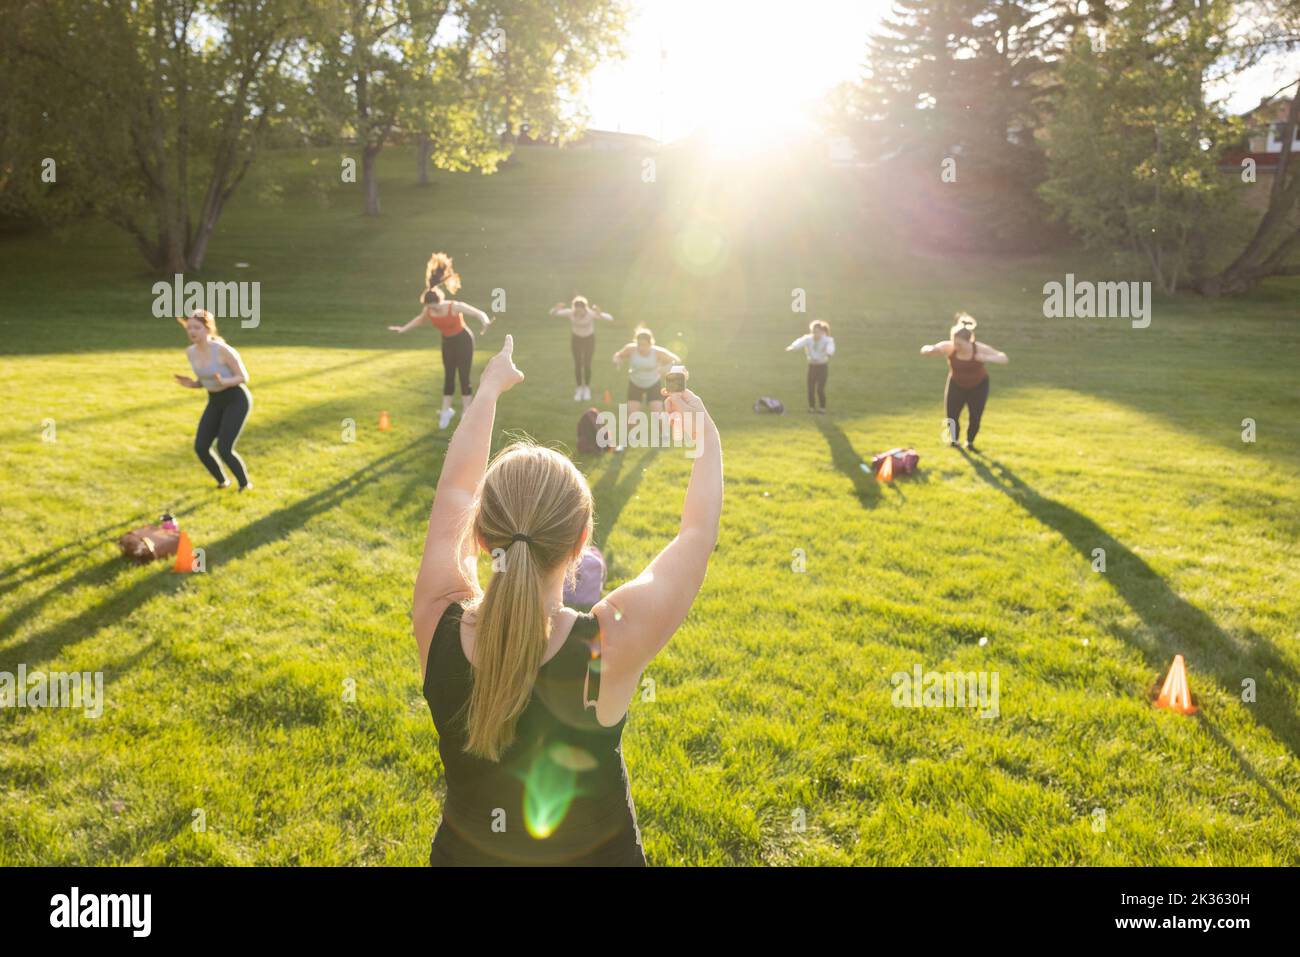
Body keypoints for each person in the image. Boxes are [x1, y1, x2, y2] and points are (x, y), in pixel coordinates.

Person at [412, 334, 723, 866]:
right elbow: (696, 536)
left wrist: (488, 389)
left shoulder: (438, 618)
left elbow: (455, 493)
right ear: (583, 542)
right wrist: (706, 441)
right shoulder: (610, 642)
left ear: (481, 536)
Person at [389, 252, 492, 429]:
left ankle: (466, 413)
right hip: (448, 343)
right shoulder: (428, 311)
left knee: (464, 375)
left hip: (464, 341)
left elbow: (477, 313)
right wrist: (402, 329)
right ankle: (446, 411)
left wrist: (485, 321)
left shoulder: (453, 306)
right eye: (430, 309)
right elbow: (418, 321)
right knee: (449, 376)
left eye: (435, 307)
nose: (433, 311)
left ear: (440, 302)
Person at [173, 309, 253, 490]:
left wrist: (225, 381)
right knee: (201, 447)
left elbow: (243, 377)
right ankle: (222, 482)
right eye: (189, 327)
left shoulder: (223, 351)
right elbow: (205, 379)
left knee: (224, 448)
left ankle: (244, 484)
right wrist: (193, 384)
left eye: (197, 328)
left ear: (208, 329)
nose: (192, 331)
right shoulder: (191, 352)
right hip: (215, 400)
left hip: (236, 399)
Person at [919, 312, 1008, 452]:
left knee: (975, 415)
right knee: (952, 415)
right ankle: (954, 442)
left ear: (969, 341)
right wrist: (930, 350)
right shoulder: (950, 347)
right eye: (954, 342)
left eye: (959, 343)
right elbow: (927, 348)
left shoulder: (978, 348)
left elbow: (1003, 358)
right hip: (956, 384)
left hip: (979, 385)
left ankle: (970, 443)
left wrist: (986, 358)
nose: (956, 346)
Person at [550, 296, 613, 401]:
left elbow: (610, 318)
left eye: (581, 309)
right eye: (577, 309)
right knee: (578, 364)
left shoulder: (590, 313)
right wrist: (556, 308)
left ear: (585, 308)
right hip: (576, 340)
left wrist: (599, 313)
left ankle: (587, 388)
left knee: (587, 364)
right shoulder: (570, 312)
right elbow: (552, 313)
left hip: (589, 340)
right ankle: (579, 388)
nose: (579, 311)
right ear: (574, 308)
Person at [612, 327, 681, 417]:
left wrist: (665, 368)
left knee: (658, 416)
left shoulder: (657, 352)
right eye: (639, 344)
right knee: (632, 417)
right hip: (635, 383)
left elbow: (676, 360)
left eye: (644, 345)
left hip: (653, 384)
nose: (641, 347)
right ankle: (633, 431)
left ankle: (662, 431)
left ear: (650, 343)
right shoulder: (631, 349)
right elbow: (618, 355)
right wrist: (616, 361)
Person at [785, 319, 836, 413]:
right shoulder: (808, 339)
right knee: (810, 388)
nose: (816, 334)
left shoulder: (827, 340)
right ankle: (811, 407)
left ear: (822, 332)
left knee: (820, 389)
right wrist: (792, 347)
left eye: (818, 332)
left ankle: (822, 408)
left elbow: (830, 347)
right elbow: (799, 342)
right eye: (814, 332)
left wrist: (829, 352)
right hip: (812, 367)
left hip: (822, 367)